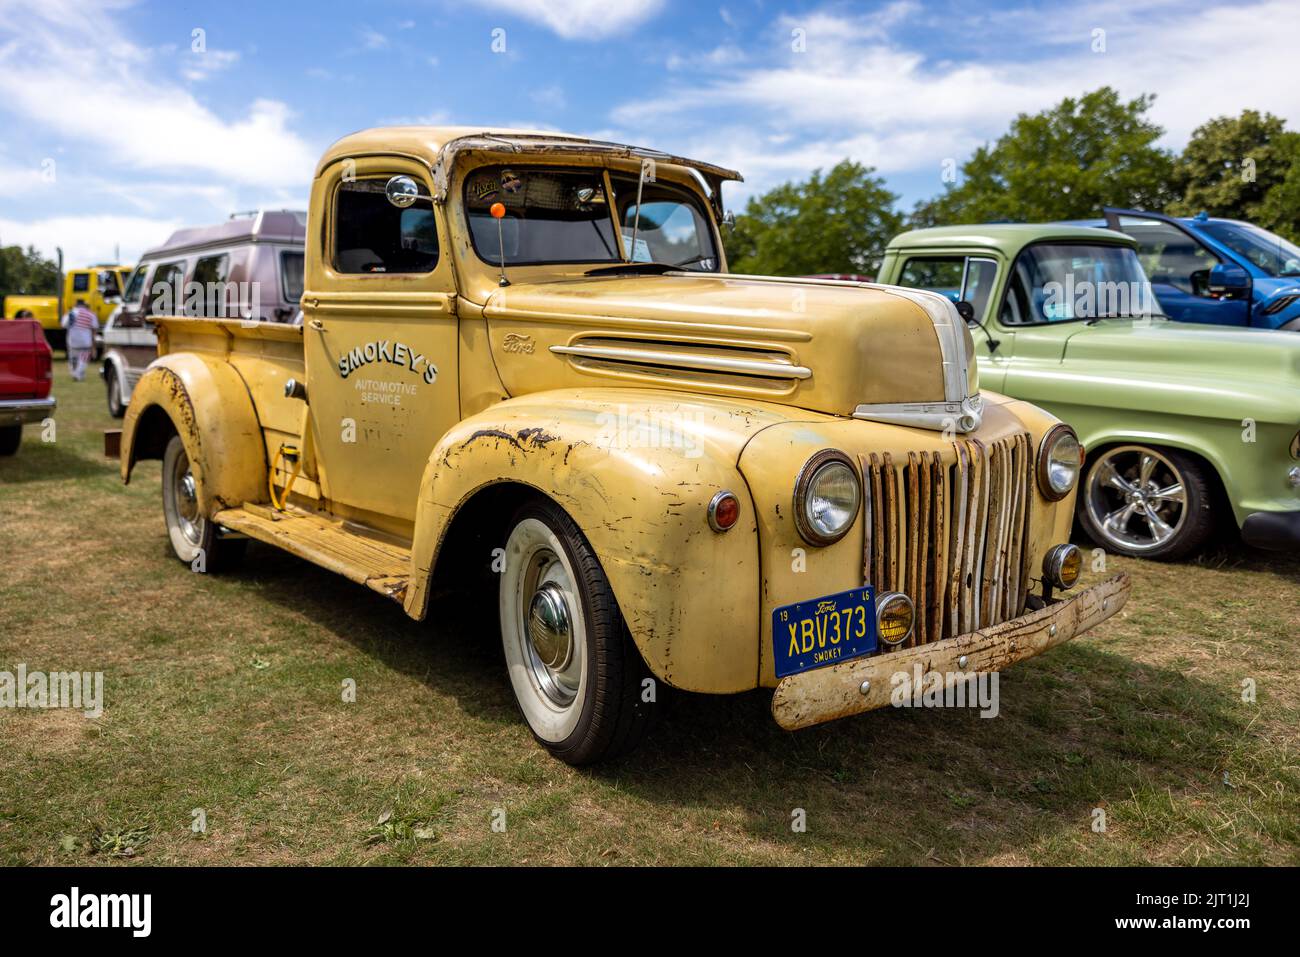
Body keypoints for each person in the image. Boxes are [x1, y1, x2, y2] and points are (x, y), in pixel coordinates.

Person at [62, 299, 99, 381]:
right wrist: (94, 345)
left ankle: (75, 373)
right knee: (83, 358)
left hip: (72, 339)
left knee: (73, 358)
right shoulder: (91, 314)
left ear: (76, 304)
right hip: (86, 340)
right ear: (85, 305)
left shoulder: (71, 313)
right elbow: (94, 329)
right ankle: (78, 374)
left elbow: (64, 325)